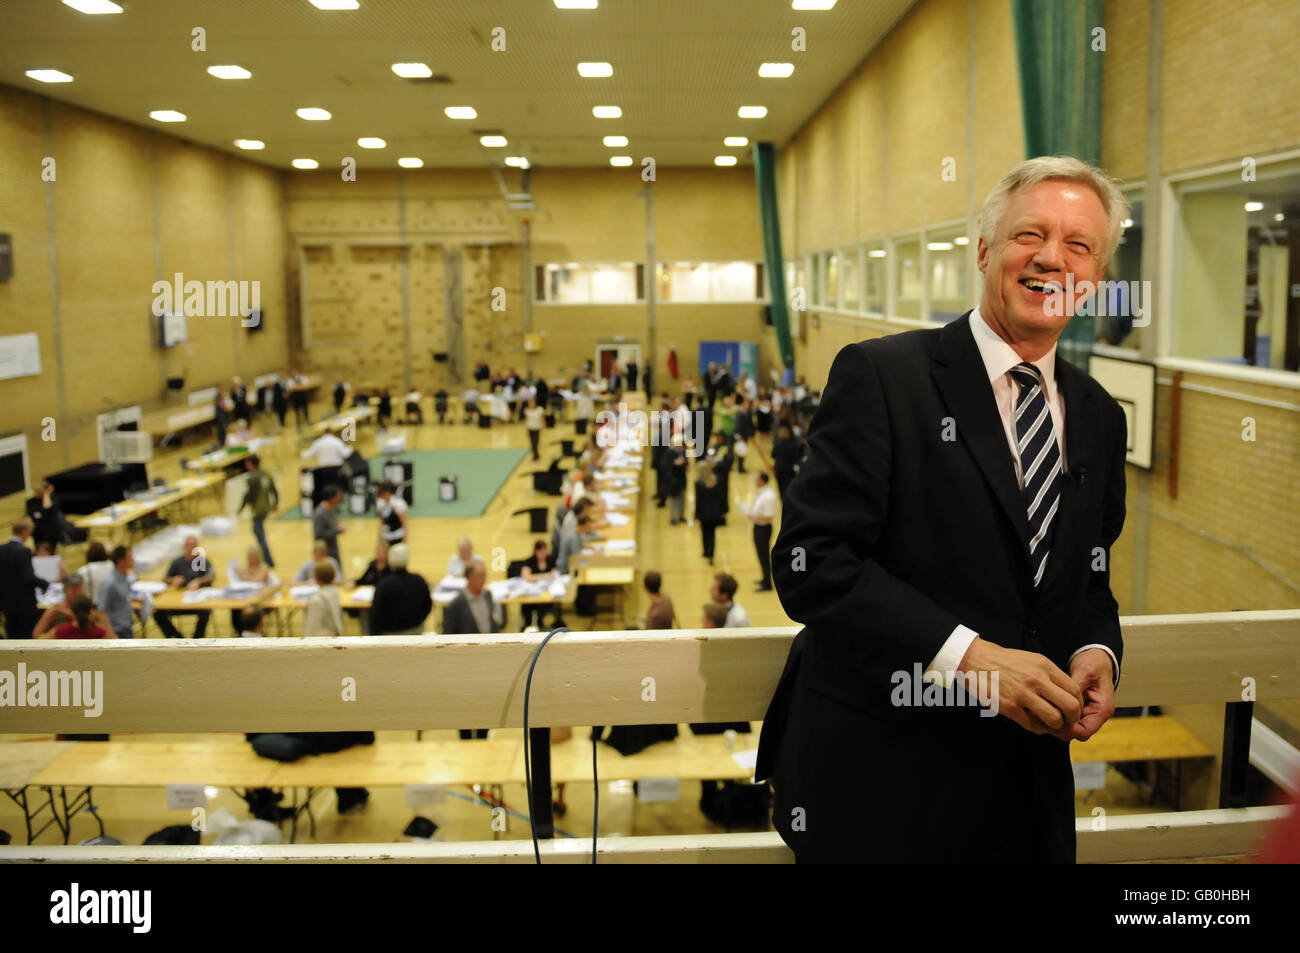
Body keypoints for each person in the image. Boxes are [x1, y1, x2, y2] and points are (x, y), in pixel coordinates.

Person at [757, 156, 1130, 863]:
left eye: (1079, 245)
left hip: (1024, 797)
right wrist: (974, 660)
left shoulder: (1100, 416)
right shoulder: (883, 377)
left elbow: (1088, 575)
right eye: (1030, 234)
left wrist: (1095, 650)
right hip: (881, 791)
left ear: (1097, 281)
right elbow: (813, 566)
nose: (1052, 257)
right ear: (985, 249)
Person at [154, 535, 214, 639]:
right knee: (158, 613)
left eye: (194, 546)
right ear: (184, 547)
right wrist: (173, 580)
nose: (191, 549)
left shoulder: (202, 561)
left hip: (196, 601)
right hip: (178, 601)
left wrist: (199, 581)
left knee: (206, 611)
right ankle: (176, 637)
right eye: (189, 546)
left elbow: (211, 576)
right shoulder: (177, 562)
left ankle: (197, 638)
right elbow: (165, 579)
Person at [0, 518, 50, 639]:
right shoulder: (23, 550)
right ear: (25, 531)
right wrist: (44, 583)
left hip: (6, 603)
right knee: (26, 638)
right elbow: (28, 577)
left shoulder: (1, 549)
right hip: (23, 604)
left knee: (11, 637)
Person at [369, 543, 432, 635]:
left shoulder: (383, 585)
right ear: (407, 560)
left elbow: (376, 617)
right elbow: (428, 606)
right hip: (416, 632)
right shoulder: (419, 581)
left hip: (390, 636)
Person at [34, 573, 109, 637]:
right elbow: (36, 635)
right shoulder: (54, 610)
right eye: (74, 589)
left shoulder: (90, 608)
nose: (78, 593)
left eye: (80, 588)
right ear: (64, 590)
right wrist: (53, 634)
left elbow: (105, 632)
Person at [239, 454, 279, 567]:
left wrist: (240, 509)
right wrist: (275, 504)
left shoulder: (252, 477)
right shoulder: (266, 474)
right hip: (266, 507)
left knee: (259, 534)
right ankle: (265, 559)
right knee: (259, 533)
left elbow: (248, 496)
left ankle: (267, 560)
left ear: (251, 464)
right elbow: (274, 490)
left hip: (258, 509)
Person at [228, 545, 279, 630]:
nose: (251, 559)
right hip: (249, 599)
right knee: (235, 609)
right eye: (250, 557)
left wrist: (242, 575)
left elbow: (258, 581)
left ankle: (251, 632)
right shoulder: (247, 568)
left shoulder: (264, 567)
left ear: (258, 557)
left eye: (254, 557)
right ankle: (241, 634)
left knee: (249, 611)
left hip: (264, 600)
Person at [744, 472, 779, 591]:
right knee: (760, 554)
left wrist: (752, 516)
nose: (755, 481)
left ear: (762, 481)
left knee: (764, 556)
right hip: (758, 527)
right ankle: (764, 578)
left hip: (763, 529)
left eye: (756, 479)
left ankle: (767, 583)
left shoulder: (769, 496)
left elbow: (769, 516)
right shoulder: (761, 493)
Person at [519, 540, 562, 630]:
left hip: (546, 593)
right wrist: (544, 576)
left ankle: (542, 624)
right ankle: (527, 625)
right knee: (527, 607)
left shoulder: (550, 560)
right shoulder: (529, 561)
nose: (543, 553)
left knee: (549, 606)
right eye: (541, 551)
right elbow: (526, 577)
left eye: (545, 551)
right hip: (531, 594)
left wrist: (536, 577)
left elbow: (554, 575)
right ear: (536, 551)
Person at [98, 546, 137, 640]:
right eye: (130, 557)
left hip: (126, 626)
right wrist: (112, 635)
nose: (133, 559)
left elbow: (121, 597)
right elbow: (101, 611)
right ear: (121, 561)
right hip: (117, 631)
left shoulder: (125, 577)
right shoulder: (109, 583)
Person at [694, 460, 725, 565]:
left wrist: (696, 514)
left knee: (704, 532)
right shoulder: (716, 480)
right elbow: (721, 497)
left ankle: (706, 552)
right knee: (712, 534)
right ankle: (711, 554)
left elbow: (698, 500)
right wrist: (722, 510)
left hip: (703, 513)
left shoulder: (698, 483)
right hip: (714, 513)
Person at [303, 560, 344, 638]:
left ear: (316, 578)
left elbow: (311, 631)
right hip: (335, 636)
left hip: (324, 641)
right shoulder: (334, 592)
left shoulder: (316, 600)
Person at [43, 595, 113, 640]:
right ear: (91, 612)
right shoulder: (99, 633)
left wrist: (45, 618)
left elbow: (40, 641)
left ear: (72, 612)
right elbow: (115, 642)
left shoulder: (60, 631)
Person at [26, 481, 68, 552]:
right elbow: (31, 515)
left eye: (40, 490)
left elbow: (48, 507)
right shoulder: (30, 501)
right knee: (39, 550)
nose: (37, 492)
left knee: (51, 551)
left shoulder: (53, 498)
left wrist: (46, 493)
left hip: (51, 530)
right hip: (38, 531)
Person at [312, 487, 345, 565]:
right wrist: (338, 530)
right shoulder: (320, 513)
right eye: (338, 496)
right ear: (332, 498)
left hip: (333, 548)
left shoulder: (332, 508)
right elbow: (318, 535)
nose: (340, 497)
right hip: (324, 552)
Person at [771, 423, 802, 499]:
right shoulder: (793, 444)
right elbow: (796, 457)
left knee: (780, 486)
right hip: (789, 468)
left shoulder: (777, 444)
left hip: (778, 468)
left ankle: (782, 499)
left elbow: (773, 455)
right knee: (787, 485)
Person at [374, 480, 409, 546]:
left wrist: (405, 539)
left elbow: (404, 523)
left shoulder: (399, 504)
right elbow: (381, 522)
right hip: (385, 536)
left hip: (397, 536)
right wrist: (379, 539)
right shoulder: (380, 503)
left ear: (387, 492)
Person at [524, 396, 545, 461]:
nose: (531, 404)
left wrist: (543, 427)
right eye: (529, 403)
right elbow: (526, 420)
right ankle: (535, 454)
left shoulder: (540, 410)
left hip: (537, 428)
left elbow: (542, 419)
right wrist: (526, 430)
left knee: (536, 442)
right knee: (532, 443)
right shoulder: (527, 410)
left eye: (532, 403)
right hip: (530, 428)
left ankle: (536, 456)